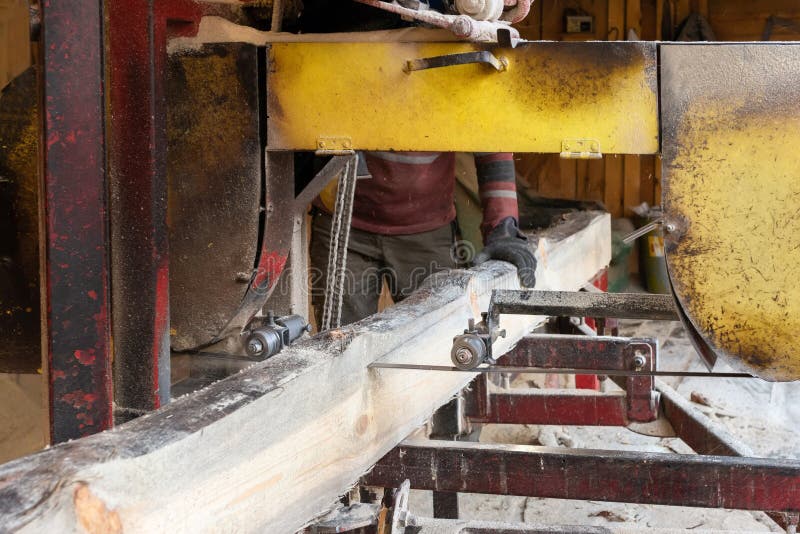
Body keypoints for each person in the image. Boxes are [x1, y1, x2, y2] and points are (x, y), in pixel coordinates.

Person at [310, 151, 536, 328]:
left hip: (427, 231)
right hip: (342, 226)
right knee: (338, 343)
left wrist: (502, 226)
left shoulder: (458, 92)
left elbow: (490, 141)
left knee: (435, 343)